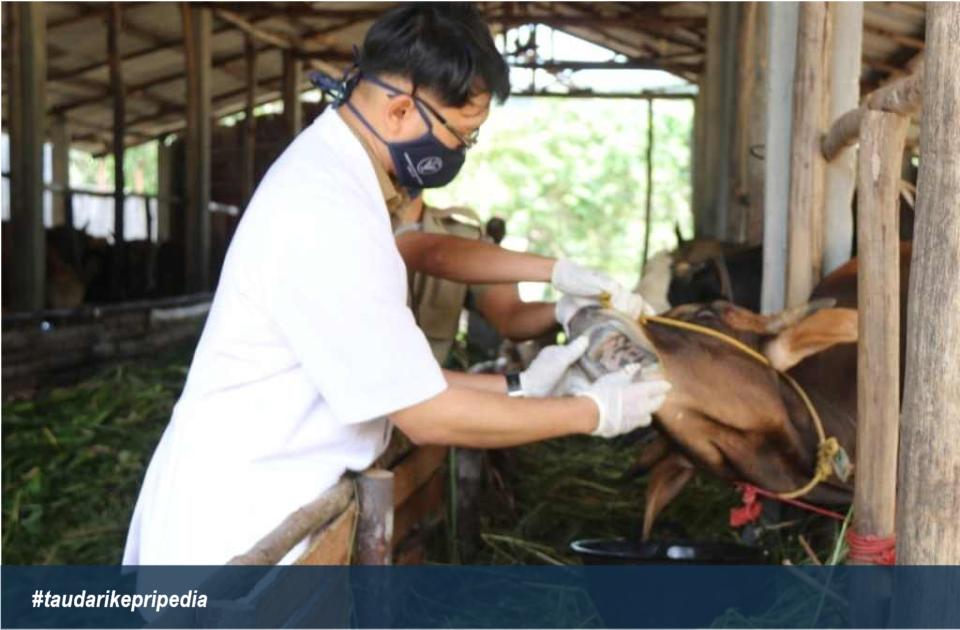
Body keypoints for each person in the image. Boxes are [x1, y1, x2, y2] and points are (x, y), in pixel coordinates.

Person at [123, 3, 669, 565]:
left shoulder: (346, 179)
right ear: (401, 109)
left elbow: (397, 377)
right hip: (239, 530)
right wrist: (590, 412)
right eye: (463, 137)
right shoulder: (326, 210)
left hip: (275, 506)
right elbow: (424, 413)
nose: (459, 153)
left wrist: (520, 387)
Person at [400, 197, 555, 366]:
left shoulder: (461, 235)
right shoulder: (379, 224)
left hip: (425, 377)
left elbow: (511, 314)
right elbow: (438, 256)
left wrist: (562, 310)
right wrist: (558, 270)